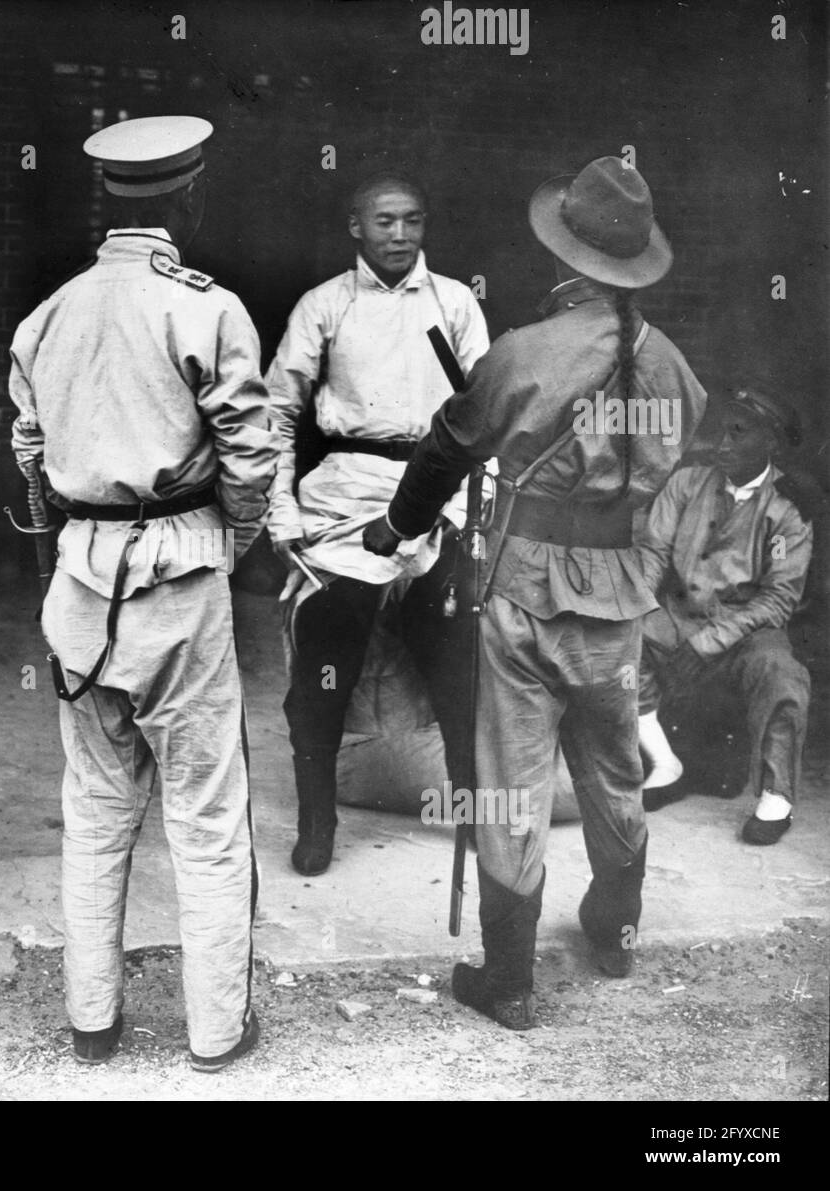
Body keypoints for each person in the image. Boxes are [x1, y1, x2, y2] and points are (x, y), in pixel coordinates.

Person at [365, 156, 707, 1028]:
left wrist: (396, 529)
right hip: (622, 594)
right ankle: (614, 931)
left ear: (569, 260)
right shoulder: (673, 366)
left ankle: (510, 979)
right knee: (614, 764)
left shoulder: (524, 352)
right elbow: (677, 443)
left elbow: (447, 448)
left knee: (511, 778)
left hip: (524, 590)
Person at [8, 116, 277, 1071]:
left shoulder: (49, 314)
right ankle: (215, 1032)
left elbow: (31, 458)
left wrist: (74, 536)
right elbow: (251, 456)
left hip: (81, 575)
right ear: (189, 197)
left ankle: (92, 1023)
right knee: (205, 811)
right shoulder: (207, 308)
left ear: (109, 203)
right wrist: (229, 543)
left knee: (96, 804)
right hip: (179, 572)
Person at [266, 171, 489, 876]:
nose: (399, 235)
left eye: (413, 221)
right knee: (327, 645)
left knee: (458, 645)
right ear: (355, 226)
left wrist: (471, 516)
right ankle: (317, 819)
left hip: (437, 492)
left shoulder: (455, 302)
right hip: (345, 499)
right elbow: (276, 413)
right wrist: (282, 507)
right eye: (385, 222)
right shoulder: (324, 305)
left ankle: (474, 810)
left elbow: (486, 414)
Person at [637, 385, 813, 844]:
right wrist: (635, 601)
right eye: (723, 431)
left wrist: (710, 640)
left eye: (740, 433)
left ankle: (777, 796)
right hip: (679, 616)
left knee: (781, 673)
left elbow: (777, 599)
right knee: (619, 636)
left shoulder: (788, 508)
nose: (724, 444)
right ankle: (664, 763)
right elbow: (653, 553)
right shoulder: (687, 483)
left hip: (746, 631)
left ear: (770, 442)